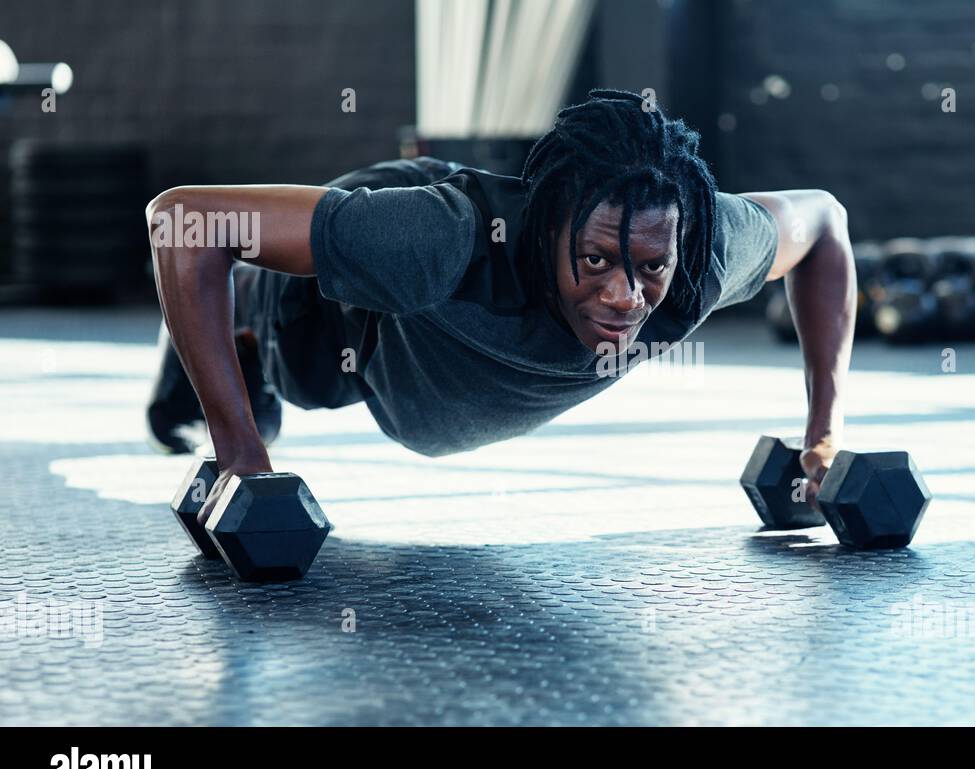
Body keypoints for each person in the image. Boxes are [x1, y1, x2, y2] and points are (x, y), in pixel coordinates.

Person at [147, 89, 855, 524]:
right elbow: (182, 223)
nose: (623, 297)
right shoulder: (442, 241)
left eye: (649, 268)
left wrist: (822, 431)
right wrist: (239, 452)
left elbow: (824, 223)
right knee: (303, 381)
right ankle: (236, 320)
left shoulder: (707, 249)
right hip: (351, 308)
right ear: (547, 234)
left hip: (425, 343)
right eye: (597, 260)